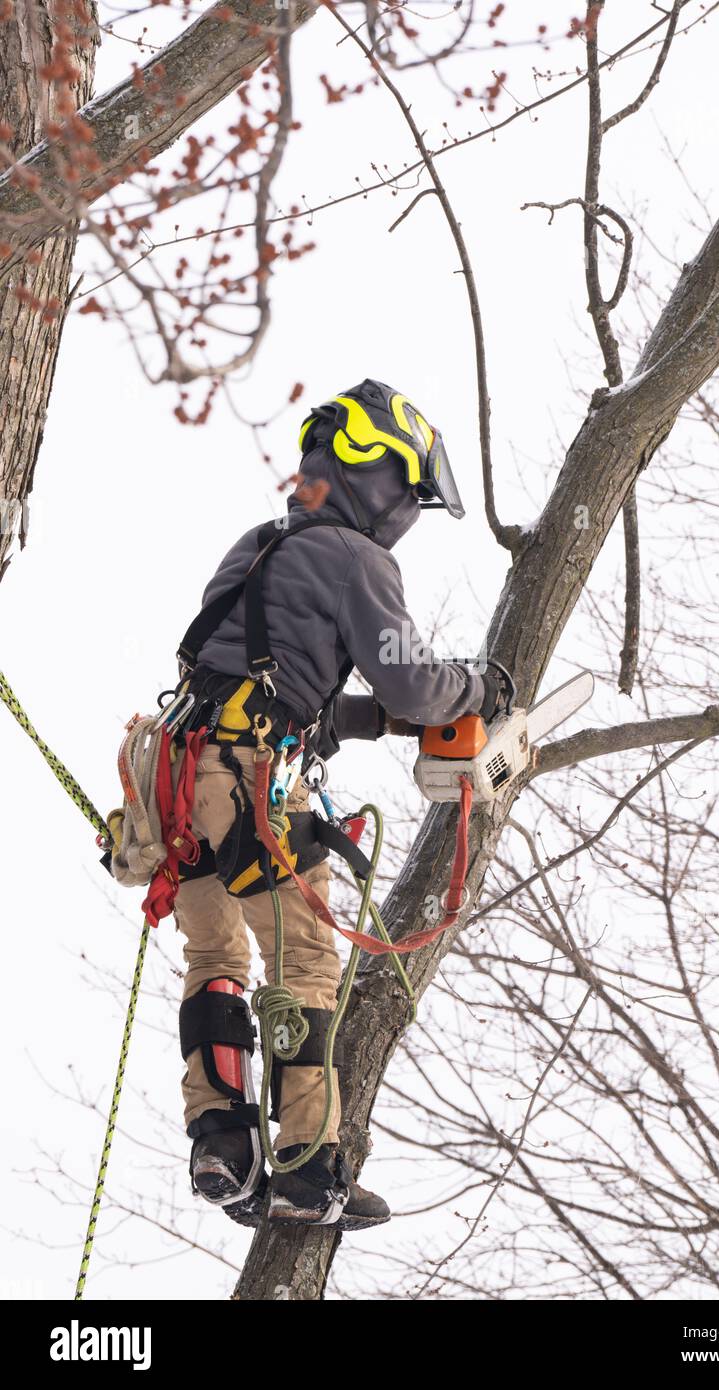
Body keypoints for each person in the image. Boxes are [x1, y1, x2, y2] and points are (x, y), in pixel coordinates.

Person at [167, 379, 509, 1229]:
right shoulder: (359, 558)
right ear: (377, 471)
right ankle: (308, 1172)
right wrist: (475, 687)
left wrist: (368, 720)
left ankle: (221, 1146)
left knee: (215, 956)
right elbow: (411, 678)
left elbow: (262, 681)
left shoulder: (260, 543)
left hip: (174, 778)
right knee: (309, 963)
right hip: (245, 783)